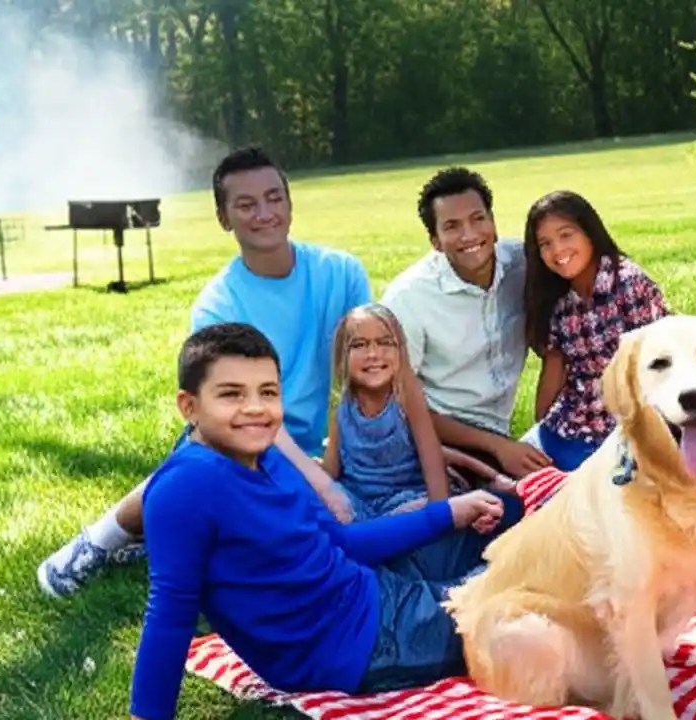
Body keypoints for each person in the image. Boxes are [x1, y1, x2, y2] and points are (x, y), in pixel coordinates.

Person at [37, 145, 371, 598]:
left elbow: (358, 380)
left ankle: (178, 533)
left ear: (290, 203)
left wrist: (336, 457)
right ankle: (102, 539)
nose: (264, 213)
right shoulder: (219, 304)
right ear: (223, 218)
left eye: (274, 198)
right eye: (246, 204)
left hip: (321, 448)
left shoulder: (342, 273)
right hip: (244, 439)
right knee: (208, 459)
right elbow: (232, 412)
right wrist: (321, 484)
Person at [130, 323, 506, 720]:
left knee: (506, 518)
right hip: (357, 647)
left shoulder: (267, 454)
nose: (255, 408)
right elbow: (170, 614)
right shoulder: (187, 487)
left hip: (370, 591)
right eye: (231, 394)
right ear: (189, 406)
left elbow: (340, 543)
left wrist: (445, 514)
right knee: (523, 602)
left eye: (268, 392)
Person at [380, 167, 551, 482]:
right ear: (435, 241)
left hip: (500, 435)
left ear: (494, 223)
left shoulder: (525, 265)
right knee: (498, 514)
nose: (470, 235)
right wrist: (497, 446)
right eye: (452, 226)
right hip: (436, 439)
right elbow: (397, 404)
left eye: (477, 219)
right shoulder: (408, 299)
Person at [519, 190, 669, 471]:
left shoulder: (628, 283)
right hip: (572, 423)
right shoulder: (556, 297)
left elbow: (658, 362)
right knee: (520, 489)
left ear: (589, 232)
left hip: (626, 425)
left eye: (566, 235)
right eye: (545, 243)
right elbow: (554, 368)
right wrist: (538, 431)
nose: (557, 250)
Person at [322, 303, 516, 518]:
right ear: (342, 356)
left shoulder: (405, 396)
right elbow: (331, 472)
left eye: (385, 343)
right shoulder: (343, 405)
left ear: (401, 351)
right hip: (359, 500)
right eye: (359, 345)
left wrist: (442, 514)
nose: (373, 354)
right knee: (325, 504)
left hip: (406, 498)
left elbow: (432, 458)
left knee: (412, 514)